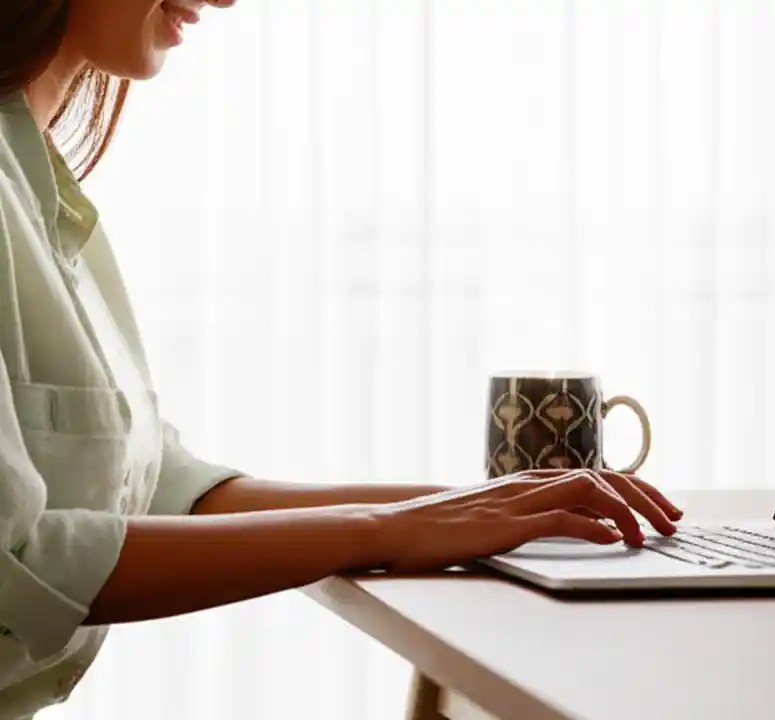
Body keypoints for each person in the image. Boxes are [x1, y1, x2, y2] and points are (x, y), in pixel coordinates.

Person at [0, 1, 683, 716]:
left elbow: (165, 489)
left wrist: (465, 507)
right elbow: (18, 563)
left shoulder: (42, 188)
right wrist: (383, 531)